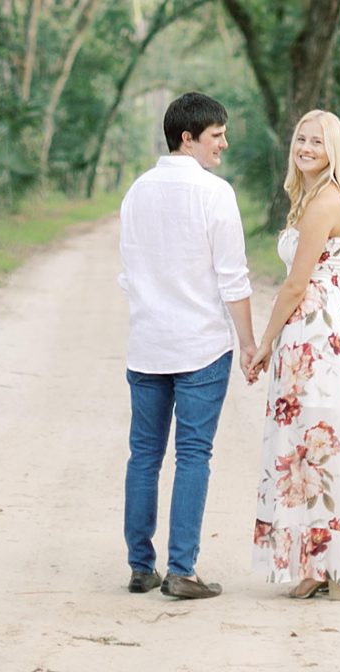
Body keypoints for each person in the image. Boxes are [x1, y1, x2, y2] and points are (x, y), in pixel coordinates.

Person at [118, 90, 256, 600]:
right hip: (200, 346)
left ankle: (140, 566)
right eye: (216, 135)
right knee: (193, 454)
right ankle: (181, 570)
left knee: (144, 455)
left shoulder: (136, 191)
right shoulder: (214, 194)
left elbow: (129, 273)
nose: (223, 144)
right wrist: (247, 344)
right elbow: (233, 280)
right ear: (187, 138)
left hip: (148, 344)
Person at [247, 109, 340, 600]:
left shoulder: (324, 201)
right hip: (317, 328)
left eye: (316, 143)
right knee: (311, 440)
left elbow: (295, 284)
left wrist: (264, 342)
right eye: (300, 139)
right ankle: (317, 560)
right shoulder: (313, 196)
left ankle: (323, 562)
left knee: (316, 443)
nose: (305, 148)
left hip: (316, 333)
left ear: (333, 152)